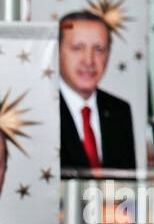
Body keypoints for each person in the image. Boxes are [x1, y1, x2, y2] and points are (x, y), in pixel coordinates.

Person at [58, 11, 137, 173]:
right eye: (77, 48)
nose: (89, 60)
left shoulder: (119, 110)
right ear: (57, 51)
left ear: (108, 54)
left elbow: (126, 191)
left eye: (99, 49)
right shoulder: (41, 111)